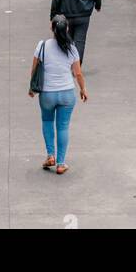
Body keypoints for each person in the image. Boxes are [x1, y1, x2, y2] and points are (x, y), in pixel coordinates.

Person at [29, 15, 87, 175]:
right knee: (63, 127)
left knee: (47, 121)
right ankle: (61, 164)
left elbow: (34, 69)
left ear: (51, 28)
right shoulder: (72, 48)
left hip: (47, 93)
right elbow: (78, 73)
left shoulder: (42, 46)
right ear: (67, 28)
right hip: (67, 93)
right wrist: (83, 89)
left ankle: (50, 156)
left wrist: (31, 88)